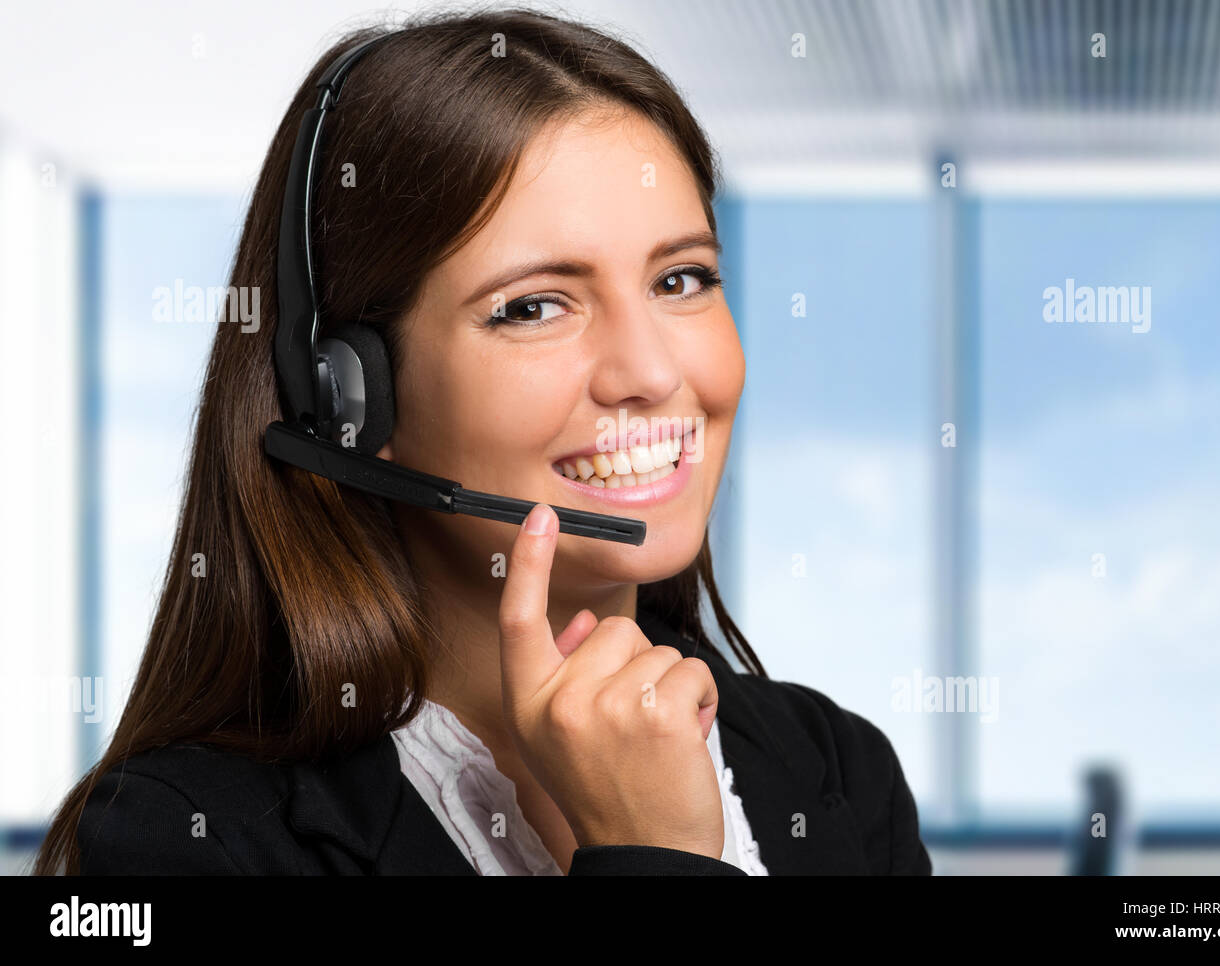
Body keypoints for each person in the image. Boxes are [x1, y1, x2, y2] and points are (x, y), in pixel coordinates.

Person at [34, 7, 931, 876]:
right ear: (348, 394)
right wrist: (652, 854)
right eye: (535, 305)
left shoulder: (836, 771)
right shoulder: (188, 838)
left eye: (682, 277)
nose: (651, 372)